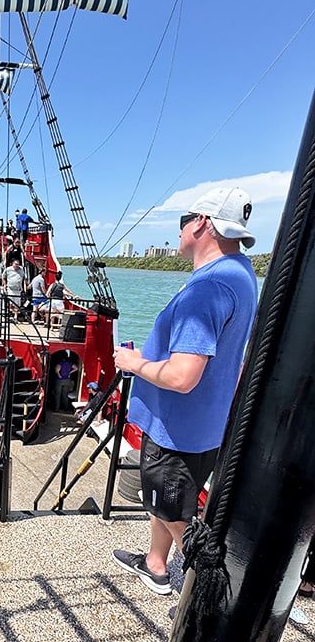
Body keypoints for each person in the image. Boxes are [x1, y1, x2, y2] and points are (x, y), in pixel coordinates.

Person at [112, 187, 259, 596]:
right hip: (205, 425)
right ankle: (156, 565)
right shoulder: (242, 274)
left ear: (202, 224)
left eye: (183, 221)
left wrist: (134, 363)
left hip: (177, 429)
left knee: (171, 508)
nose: (178, 231)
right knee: (169, 500)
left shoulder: (207, 288)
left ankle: (208, 600)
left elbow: (181, 376)